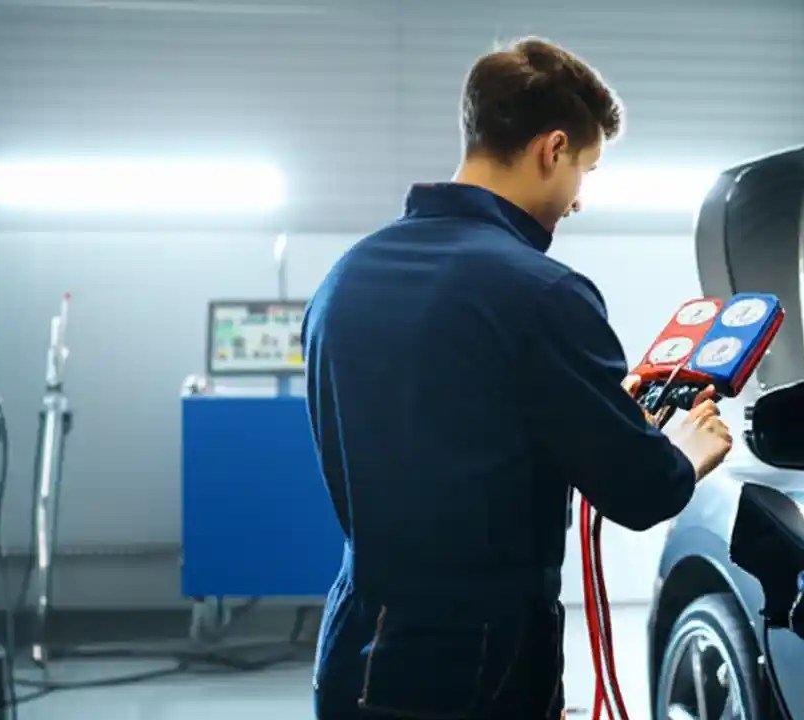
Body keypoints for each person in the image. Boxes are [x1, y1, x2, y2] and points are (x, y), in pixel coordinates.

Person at [303, 37, 734, 720]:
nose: (578, 200)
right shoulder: (543, 293)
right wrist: (681, 450)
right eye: (584, 172)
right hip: (478, 661)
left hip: (356, 643)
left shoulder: (345, 278)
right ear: (551, 149)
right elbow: (641, 489)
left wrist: (594, 413)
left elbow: (452, 426)